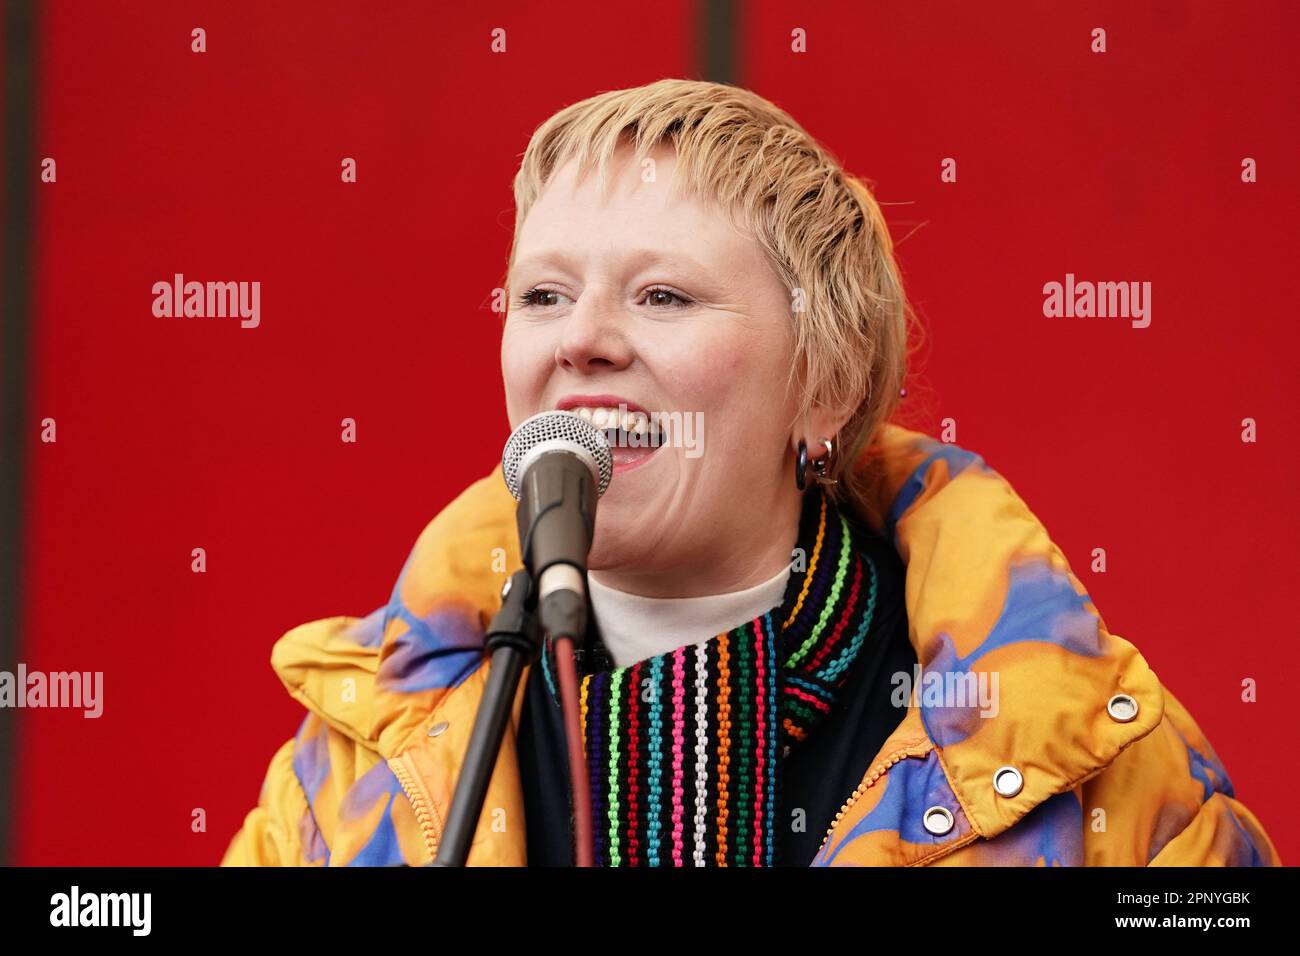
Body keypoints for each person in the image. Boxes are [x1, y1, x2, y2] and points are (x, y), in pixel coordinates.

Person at [220, 78, 1281, 867]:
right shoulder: (353, 764)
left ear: (825, 383)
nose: (579, 338)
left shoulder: (1088, 757)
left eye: (663, 296)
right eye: (542, 295)